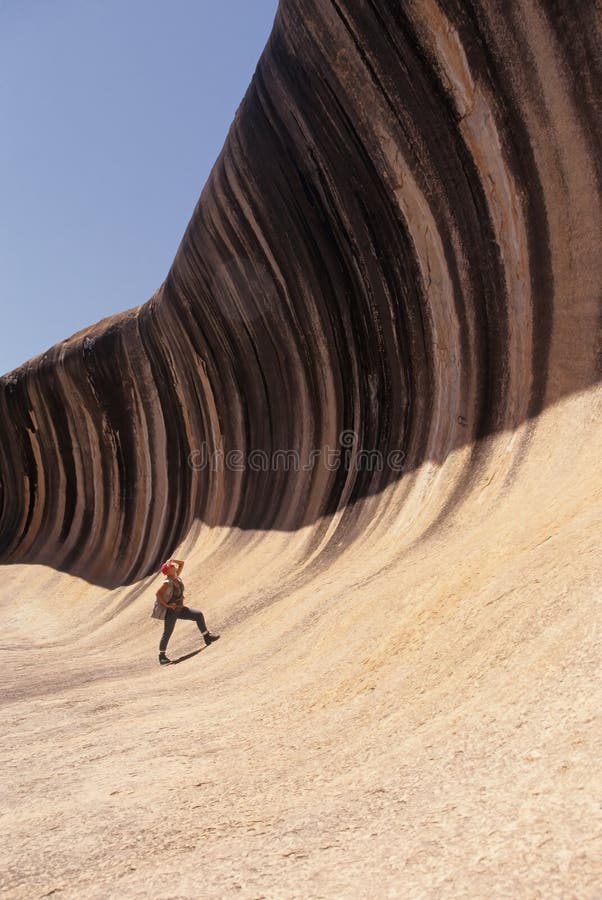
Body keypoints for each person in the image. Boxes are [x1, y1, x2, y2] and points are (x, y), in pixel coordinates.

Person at [156, 558, 219, 665]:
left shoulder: (176, 577)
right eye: (171, 567)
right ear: (167, 572)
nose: (173, 567)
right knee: (167, 632)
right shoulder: (167, 582)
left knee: (198, 615)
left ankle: (207, 637)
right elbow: (158, 594)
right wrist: (168, 605)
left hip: (180, 609)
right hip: (171, 611)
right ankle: (162, 656)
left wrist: (172, 560)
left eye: (172, 566)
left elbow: (182, 563)